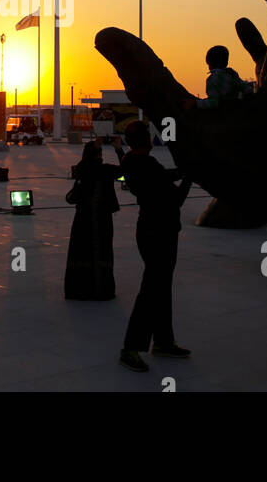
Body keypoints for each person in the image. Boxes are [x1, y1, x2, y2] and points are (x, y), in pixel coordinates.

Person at [118, 120, 192, 372]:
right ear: (144, 140)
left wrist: (178, 173)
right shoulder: (147, 165)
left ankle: (163, 340)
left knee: (159, 287)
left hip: (150, 229)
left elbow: (161, 176)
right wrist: (190, 177)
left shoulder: (131, 161)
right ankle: (131, 347)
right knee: (152, 290)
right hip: (160, 231)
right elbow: (176, 199)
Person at [64, 139, 122, 301]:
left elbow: (72, 195)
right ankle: (100, 289)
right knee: (101, 250)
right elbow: (127, 170)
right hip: (102, 219)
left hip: (83, 219)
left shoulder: (82, 169)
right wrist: (119, 150)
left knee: (83, 250)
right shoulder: (104, 170)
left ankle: (81, 288)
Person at [184, 45, 252, 110]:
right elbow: (247, 89)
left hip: (222, 114)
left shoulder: (212, 79)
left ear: (209, 62)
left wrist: (196, 103)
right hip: (236, 110)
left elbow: (213, 102)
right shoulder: (232, 74)